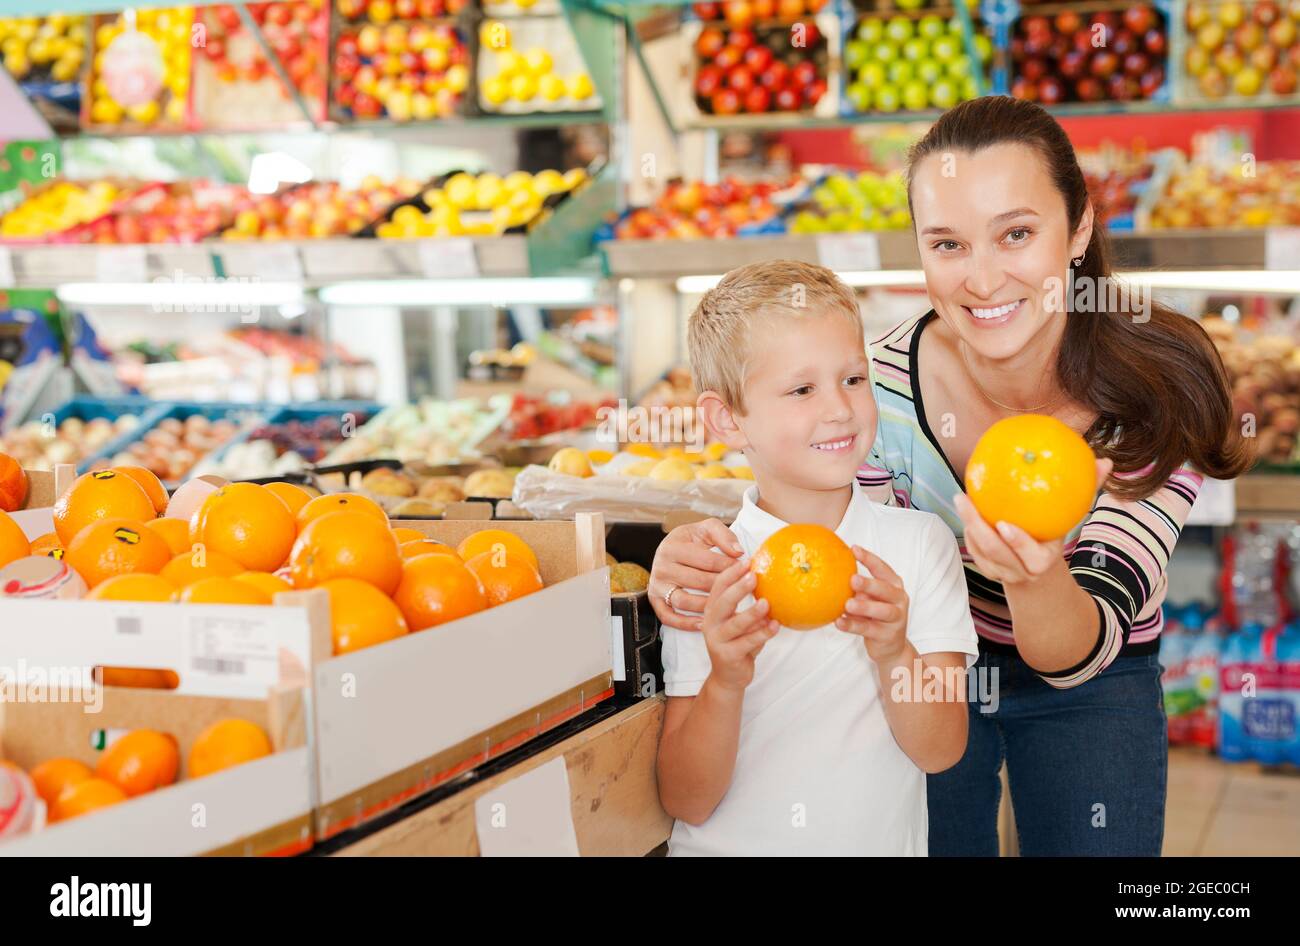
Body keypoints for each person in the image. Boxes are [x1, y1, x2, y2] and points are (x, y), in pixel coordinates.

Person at [649, 97, 1255, 856]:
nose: (982, 278)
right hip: (925, 660)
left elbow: (1077, 645)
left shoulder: (1154, 390)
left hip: (1090, 672)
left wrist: (1034, 581)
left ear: (1079, 228)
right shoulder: (874, 388)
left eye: (1017, 234)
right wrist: (689, 557)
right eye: (947, 244)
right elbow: (805, 506)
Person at [656, 260, 979, 856]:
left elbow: (941, 750)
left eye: (853, 379)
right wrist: (726, 679)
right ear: (727, 419)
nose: (839, 409)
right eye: (802, 389)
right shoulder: (710, 571)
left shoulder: (918, 546)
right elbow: (687, 799)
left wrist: (893, 652)